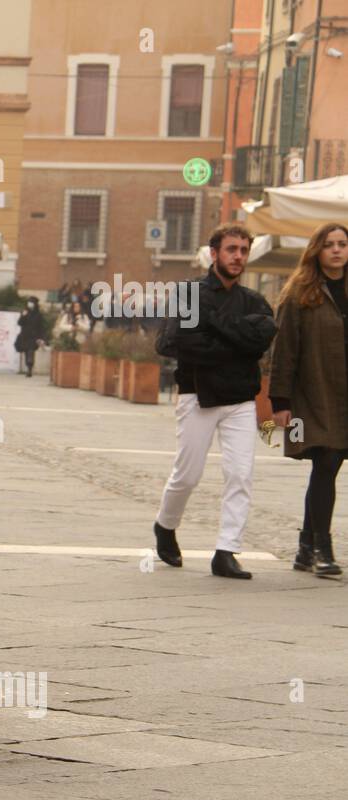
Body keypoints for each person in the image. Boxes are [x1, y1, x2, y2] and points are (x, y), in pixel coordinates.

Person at [153, 225, 277, 579]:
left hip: (241, 399)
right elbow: (183, 345)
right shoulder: (190, 294)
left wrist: (215, 328)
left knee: (240, 474)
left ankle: (226, 551)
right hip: (198, 395)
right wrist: (238, 340)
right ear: (214, 253)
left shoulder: (255, 301)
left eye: (243, 250)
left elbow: (260, 343)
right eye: (231, 249)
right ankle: (165, 525)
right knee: (187, 475)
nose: (238, 256)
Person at [268, 222, 348, 578]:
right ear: (316, 249)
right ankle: (322, 549)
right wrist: (280, 401)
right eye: (329, 244)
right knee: (326, 462)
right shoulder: (299, 292)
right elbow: (284, 350)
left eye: (343, 244)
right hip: (310, 396)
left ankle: (304, 545)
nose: (336, 250)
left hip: (345, 396)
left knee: (327, 467)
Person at [15, 296, 48, 377]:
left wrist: (42, 338)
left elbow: (41, 327)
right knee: (27, 351)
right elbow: (19, 323)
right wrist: (23, 315)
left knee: (31, 350)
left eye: (32, 302)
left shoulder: (38, 314)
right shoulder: (25, 312)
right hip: (25, 336)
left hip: (34, 336)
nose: (30, 304)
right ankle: (29, 367)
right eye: (29, 302)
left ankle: (29, 368)